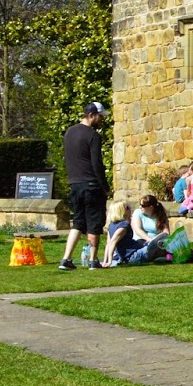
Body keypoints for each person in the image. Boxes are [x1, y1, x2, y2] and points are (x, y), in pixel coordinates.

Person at [59, 102, 107, 271]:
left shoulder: (69, 132)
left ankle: (66, 259)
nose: (101, 120)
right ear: (92, 115)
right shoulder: (93, 136)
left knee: (78, 222)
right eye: (100, 116)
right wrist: (104, 186)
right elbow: (96, 164)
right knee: (94, 222)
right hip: (91, 184)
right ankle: (93, 260)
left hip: (75, 184)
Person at [101, 199, 168, 267]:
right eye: (127, 207)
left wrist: (105, 261)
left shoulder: (111, 225)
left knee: (142, 243)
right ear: (121, 211)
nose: (130, 208)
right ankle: (164, 256)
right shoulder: (124, 225)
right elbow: (112, 242)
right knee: (155, 246)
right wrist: (109, 262)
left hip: (125, 256)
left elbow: (108, 244)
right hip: (132, 256)